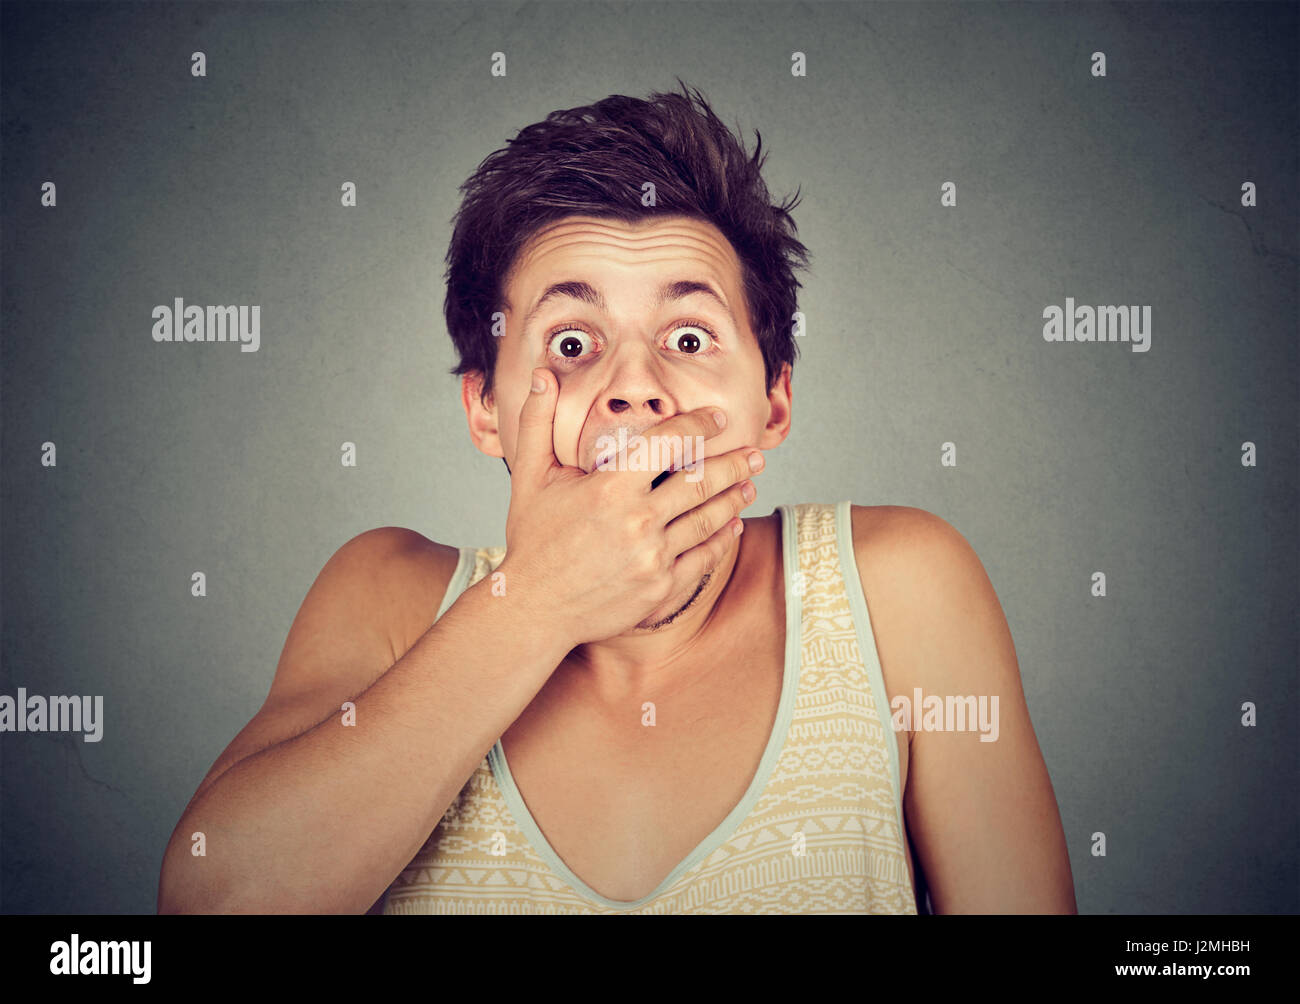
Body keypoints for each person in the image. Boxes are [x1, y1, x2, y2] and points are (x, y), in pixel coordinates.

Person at [157, 80, 1076, 914]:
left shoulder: (899, 590)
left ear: (774, 402)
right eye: (570, 343)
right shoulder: (386, 597)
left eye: (687, 337)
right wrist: (542, 601)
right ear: (485, 406)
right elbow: (212, 903)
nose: (635, 386)